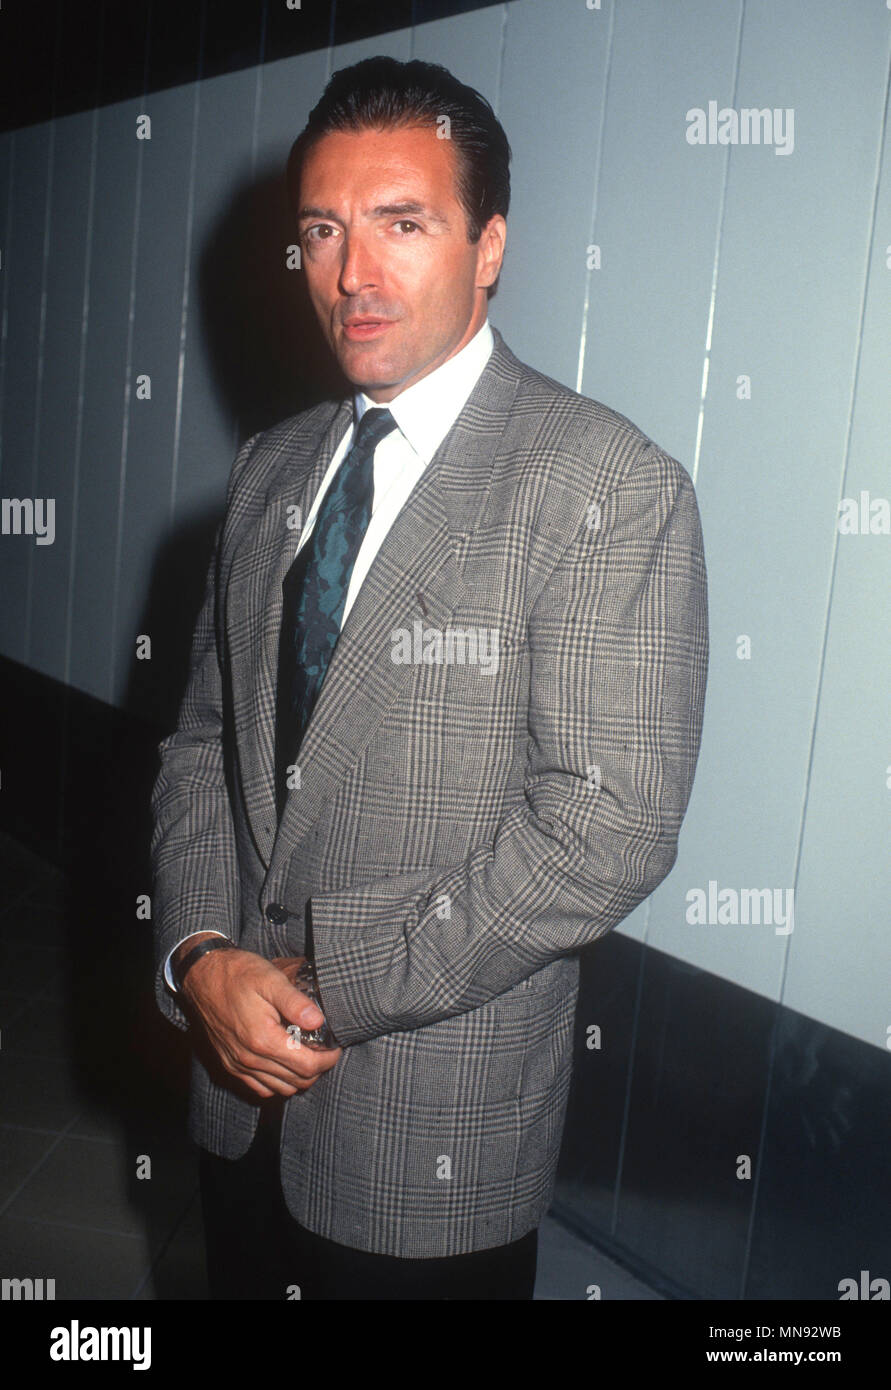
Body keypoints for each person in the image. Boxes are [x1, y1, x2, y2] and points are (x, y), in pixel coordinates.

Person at [150, 55, 709, 1301]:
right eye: (324, 230)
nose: (354, 273)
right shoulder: (268, 468)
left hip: (430, 1145)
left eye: (404, 224)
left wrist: (320, 982)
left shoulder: (605, 486)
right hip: (231, 1095)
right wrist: (197, 955)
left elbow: (606, 828)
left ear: (490, 243)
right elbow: (201, 739)